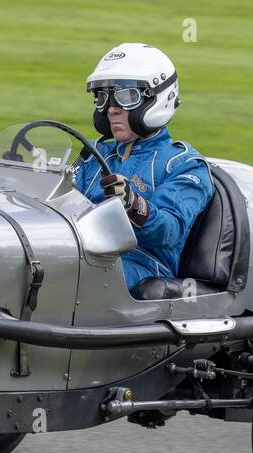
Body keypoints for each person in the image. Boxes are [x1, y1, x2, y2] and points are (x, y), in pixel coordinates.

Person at [74, 43, 212, 295]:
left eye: (126, 97)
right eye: (103, 97)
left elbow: (170, 230)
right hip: (81, 249)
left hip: (144, 265)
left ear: (157, 99)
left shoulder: (184, 164)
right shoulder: (96, 152)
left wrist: (133, 203)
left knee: (72, 275)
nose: (112, 108)